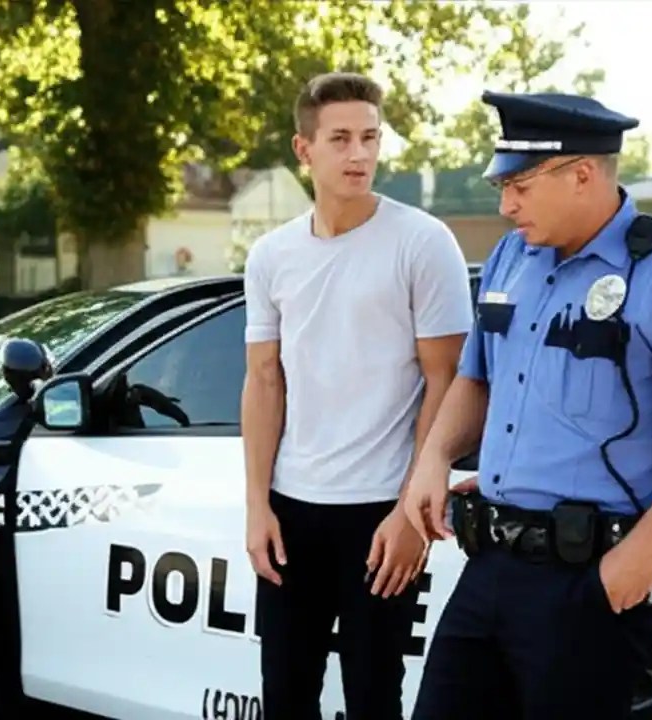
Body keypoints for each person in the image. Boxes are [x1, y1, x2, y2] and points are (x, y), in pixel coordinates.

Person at [403, 90, 652, 720]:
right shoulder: (515, 254)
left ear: (583, 175)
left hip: (588, 584)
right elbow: (474, 379)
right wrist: (433, 459)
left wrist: (643, 552)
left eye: (520, 185)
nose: (505, 203)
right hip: (489, 565)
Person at [242, 71, 474, 719]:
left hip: (380, 511)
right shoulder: (270, 255)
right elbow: (264, 382)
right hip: (292, 510)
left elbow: (448, 381)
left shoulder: (422, 243)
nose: (360, 154)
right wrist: (257, 506)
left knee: (374, 695)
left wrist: (410, 516)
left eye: (370, 137)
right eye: (340, 139)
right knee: (285, 695)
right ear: (303, 149)